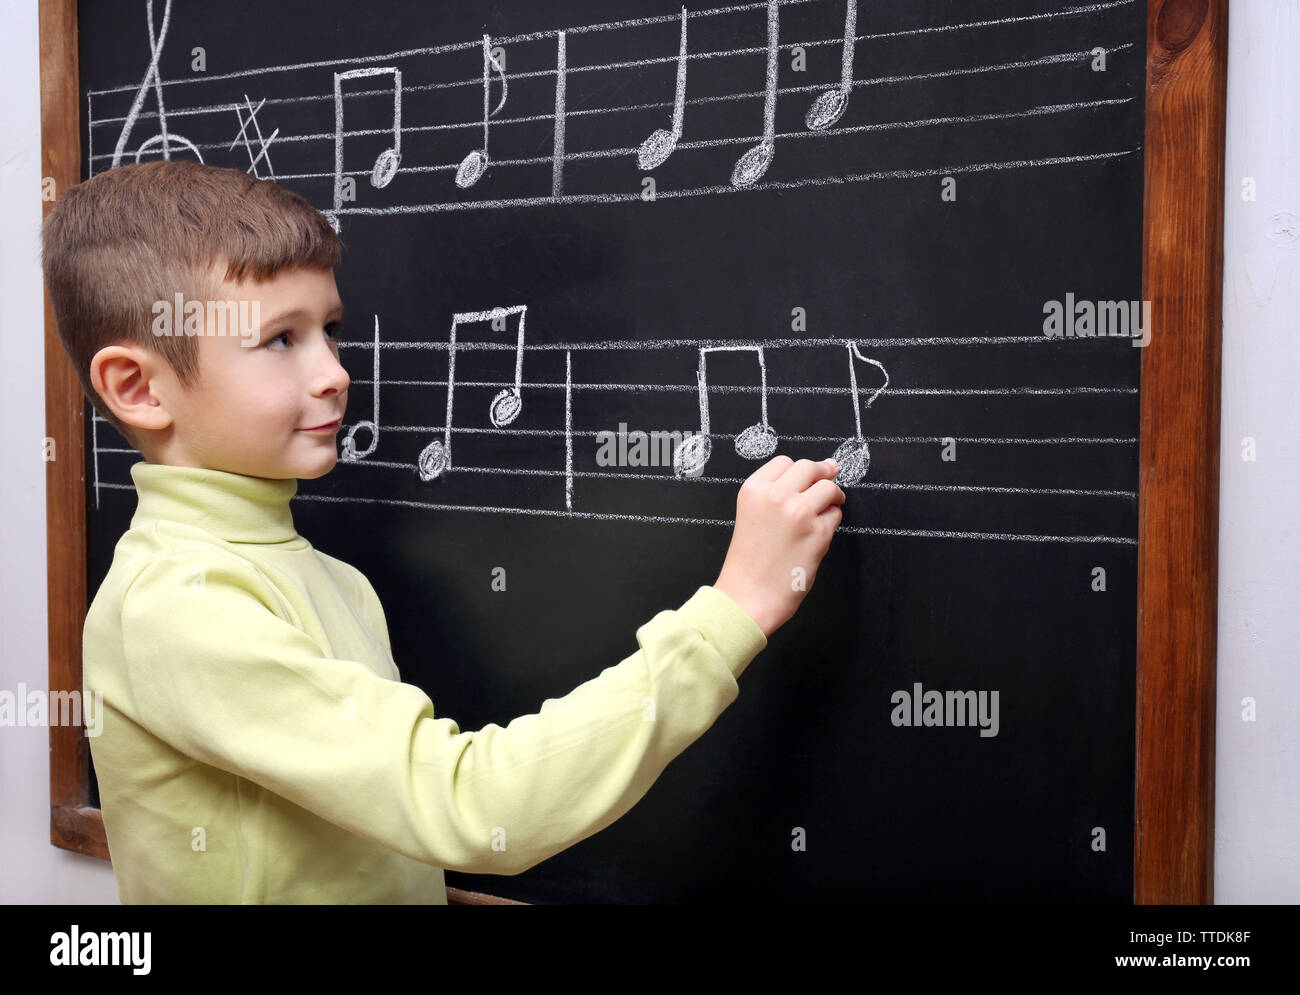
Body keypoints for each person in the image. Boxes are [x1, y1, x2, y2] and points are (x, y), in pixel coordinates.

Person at [42, 160, 846, 903]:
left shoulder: (325, 578)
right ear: (138, 387)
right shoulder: (179, 605)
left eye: (331, 328)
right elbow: (468, 804)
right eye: (281, 339)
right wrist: (732, 609)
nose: (334, 371)